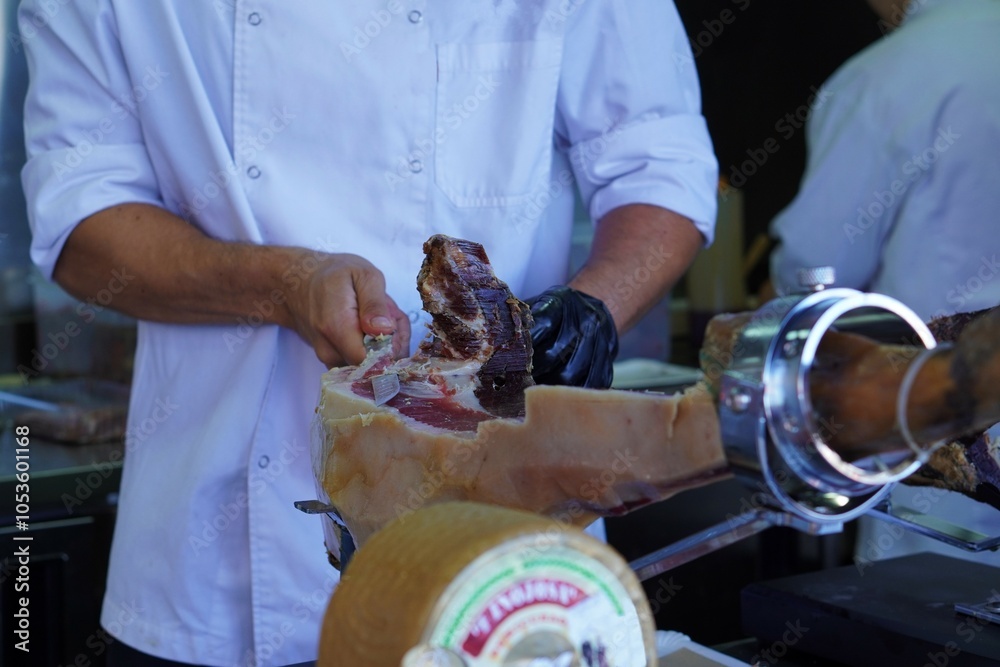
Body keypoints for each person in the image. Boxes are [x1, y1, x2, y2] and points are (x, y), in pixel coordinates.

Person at [19, 2, 718, 665]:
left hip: (508, 579)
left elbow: (661, 163)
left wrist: (593, 308)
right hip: (214, 567)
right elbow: (80, 219)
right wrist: (285, 285)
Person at [769, 0, 1000, 567]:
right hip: (955, 440)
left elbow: (813, 278)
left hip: (940, 452)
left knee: (929, 605)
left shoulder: (885, 76)